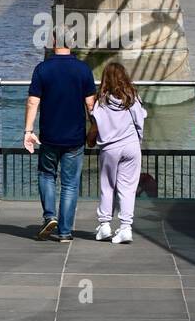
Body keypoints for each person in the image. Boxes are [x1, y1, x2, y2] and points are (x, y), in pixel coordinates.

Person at [24, 30, 97, 241]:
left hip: (49, 136)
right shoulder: (83, 69)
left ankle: (49, 216)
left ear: (53, 41)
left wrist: (28, 131)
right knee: (70, 184)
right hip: (75, 138)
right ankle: (65, 232)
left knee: (46, 175)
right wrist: (94, 128)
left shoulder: (42, 69)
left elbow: (33, 102)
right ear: (73, 43)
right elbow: (90, 104)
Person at [92, 60, 146, 245]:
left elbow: (96, 123)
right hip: (131, 145)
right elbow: (140, 121)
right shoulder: (132, 97)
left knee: (107, 187)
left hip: (109, 147)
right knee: (128, 188)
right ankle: (125, 227)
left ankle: (105, 225)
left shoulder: (101, 100)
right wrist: (138, 138)